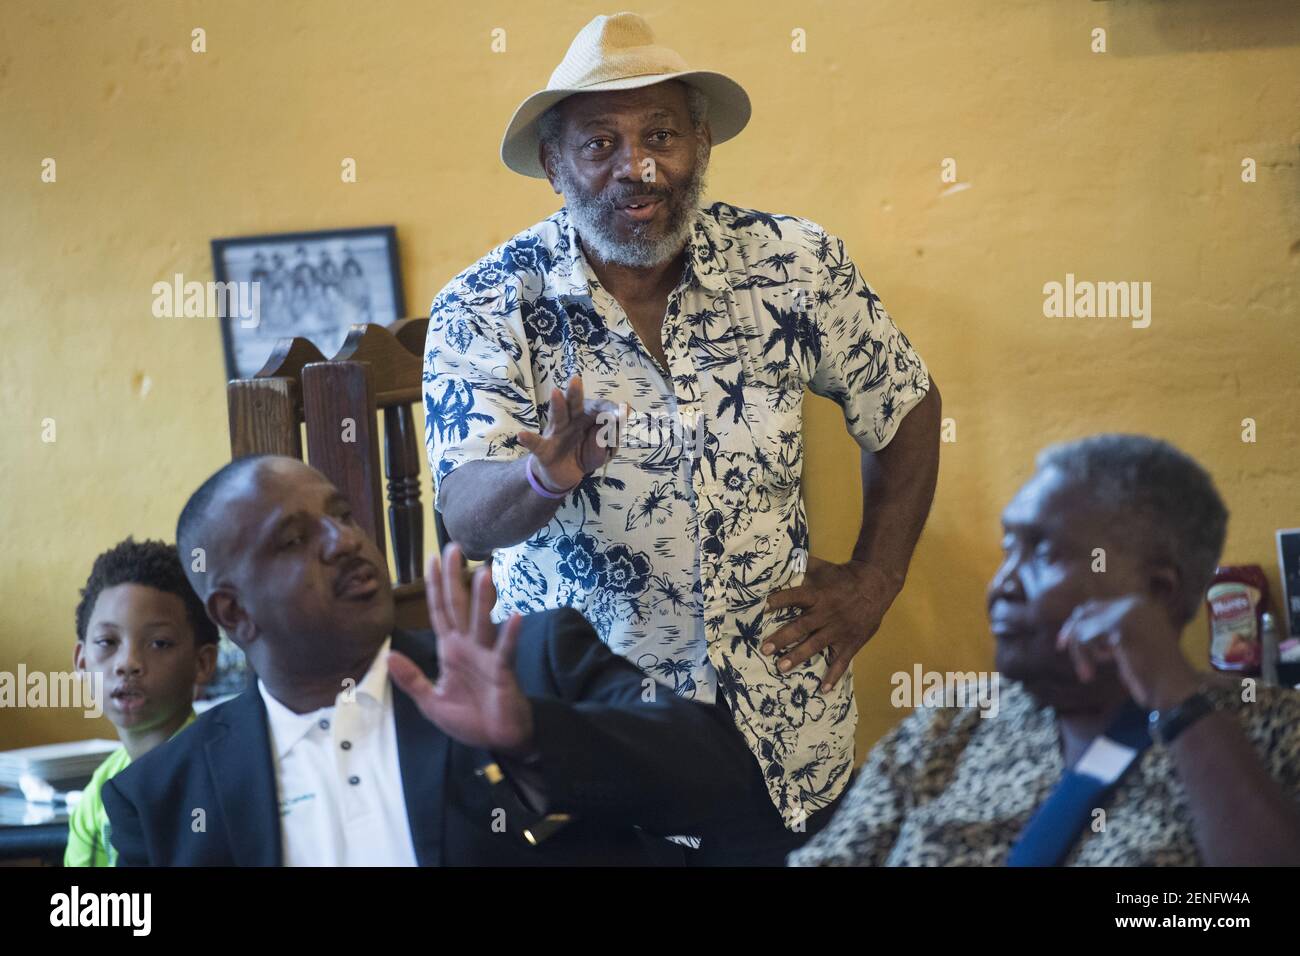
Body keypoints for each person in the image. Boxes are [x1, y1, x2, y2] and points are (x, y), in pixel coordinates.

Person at [424, 11, 940, 863]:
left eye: (661, 133)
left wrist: (878, 577)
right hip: (593, 745)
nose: (640, 167)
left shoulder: (792, 264)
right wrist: (546, 477)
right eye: (600, 144)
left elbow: (907, 405)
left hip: (784, 734)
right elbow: (469, 519)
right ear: (554, 163)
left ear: (701, 141)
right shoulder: (487, 304)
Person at [102, 455, 754, 866]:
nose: (344, 540)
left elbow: (724, 780)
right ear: (233, 614)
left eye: (343, 515)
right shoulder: (163, 799)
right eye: (295, 540)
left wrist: (532, 735)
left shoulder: (527, 663)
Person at [788, 434, 1300, 866]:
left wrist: (1177, 700)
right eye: (1011, 549)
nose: (1003, 584)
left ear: (1158, 591)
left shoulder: (1272, 732)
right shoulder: (948, 727)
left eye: (1046, 553)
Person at [65, 538, 218, 866]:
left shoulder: (220, 777)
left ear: (203, 662)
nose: (127, 663)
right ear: (81, 662)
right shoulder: (98, 793)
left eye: (159, 643)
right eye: (107, 641)